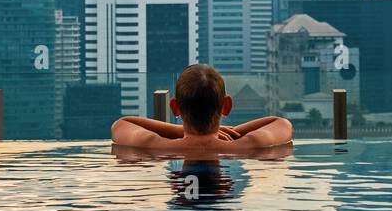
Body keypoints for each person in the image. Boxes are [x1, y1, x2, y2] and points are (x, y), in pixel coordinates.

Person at [110, 63, 293, 153]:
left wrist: (179, 132)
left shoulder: (157, 146)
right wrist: (233, 132)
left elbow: (122, 124)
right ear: (226, 106)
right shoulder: (247, 146)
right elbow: (281, 123)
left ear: (175, 107)